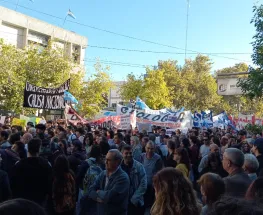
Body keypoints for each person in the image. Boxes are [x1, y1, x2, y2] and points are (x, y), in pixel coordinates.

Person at [10, 138, 52, 206]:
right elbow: (49, 183)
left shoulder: (19, 164)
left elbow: (13, 183)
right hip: (40, 199)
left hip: (22, 200)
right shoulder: (46, 164)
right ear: (39, 149)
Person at [86, 149, 130, 215]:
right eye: (105, 159)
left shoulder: (123, 178)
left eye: (108, 160)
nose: (105, 162)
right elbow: (90, 190)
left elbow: (110, 196)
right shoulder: (103, 174)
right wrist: (98, 198)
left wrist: (98, 192)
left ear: (117, 162)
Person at [121, 145, 147, 215]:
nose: (129, 155)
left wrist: (134, 199)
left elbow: (143, 184)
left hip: (136, 202)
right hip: (122, 202)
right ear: (122, 154)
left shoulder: (139, 166)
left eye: (130, 153)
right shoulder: (119, 167)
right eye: (126, 153)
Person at [140, 141, 163, 214]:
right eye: (148, 148)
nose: (150, 150)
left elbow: (160, 172)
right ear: (145, 148)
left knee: (150, 207)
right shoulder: (142, 156)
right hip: (143, 185)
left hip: (153, 187)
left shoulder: (158, 158)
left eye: (152, 148)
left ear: (154, 149)